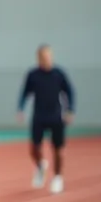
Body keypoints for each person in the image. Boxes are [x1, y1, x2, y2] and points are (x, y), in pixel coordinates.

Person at [17, 44, 74, 194]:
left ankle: (57, 177)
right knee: (34, 148)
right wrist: (21, 108)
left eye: (49, 56)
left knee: (58, 150)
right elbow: (24, 93)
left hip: (56, 115)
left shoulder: (59, 74)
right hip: (39, 116)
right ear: (38, 58)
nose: (46, 59)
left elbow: (70, 92)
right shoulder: (33, 75)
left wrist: (70, 110)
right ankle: (41, 165)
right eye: (43, 57)